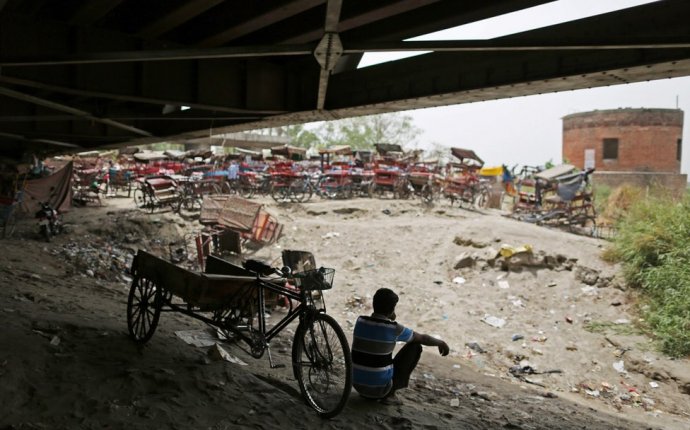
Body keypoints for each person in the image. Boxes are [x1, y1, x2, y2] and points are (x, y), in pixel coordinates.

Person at [351, 288, 450, 405]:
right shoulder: (393, 328)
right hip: (380, 390)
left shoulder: (361, 321)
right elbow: (423, 338)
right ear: (392, 309)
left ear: (374, 304)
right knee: (415, 346)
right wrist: (441, 343)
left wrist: (389, 315)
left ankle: (377, 386)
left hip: (357, 385)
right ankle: (390, 394)